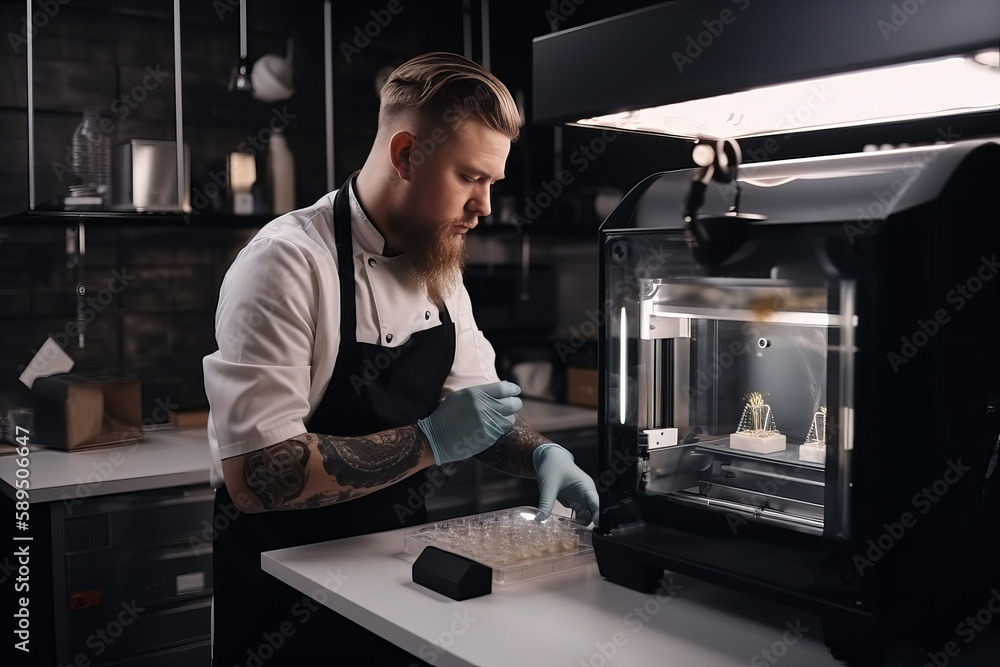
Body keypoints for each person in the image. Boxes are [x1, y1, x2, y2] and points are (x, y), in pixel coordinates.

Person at [203, 52, 599, 664]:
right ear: (406, 154)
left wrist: (539, 452)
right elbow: (260, 475)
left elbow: (476, 415)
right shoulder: (284, 264)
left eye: (493, 182)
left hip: (395, 578)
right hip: (280, 589)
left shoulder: (437, 263)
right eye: (470, 177)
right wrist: (430, 441)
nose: (486, 206)